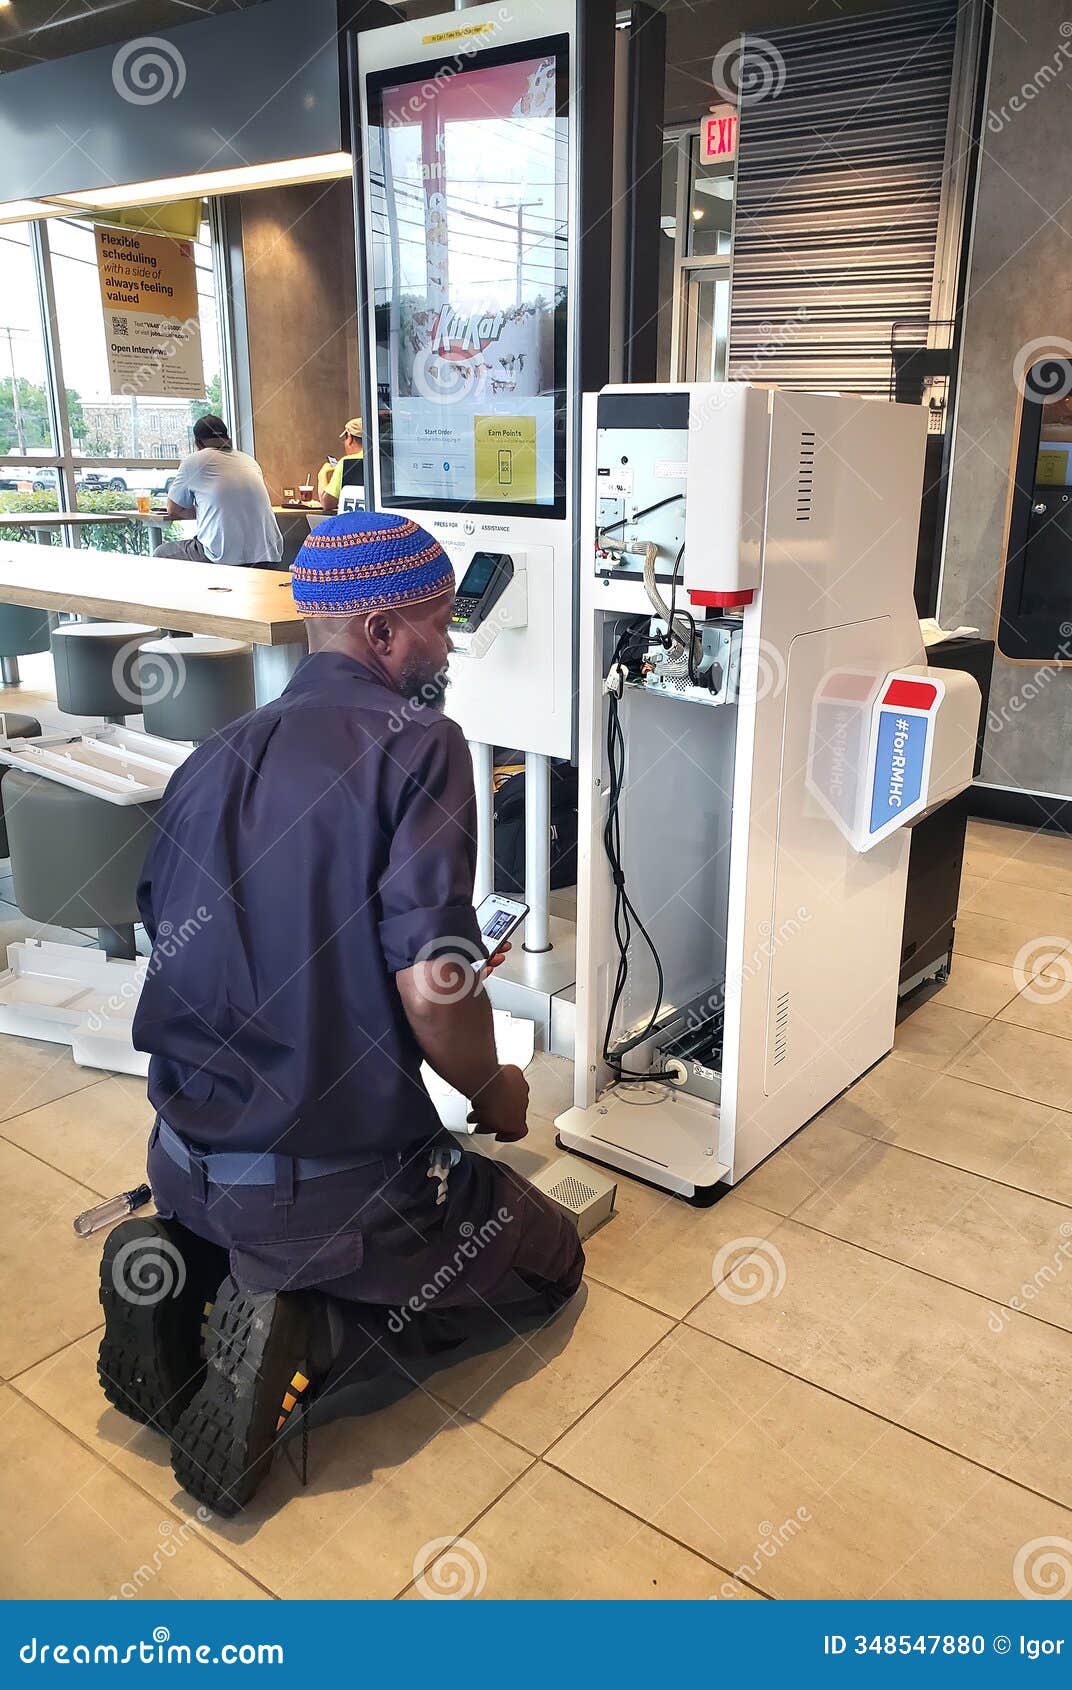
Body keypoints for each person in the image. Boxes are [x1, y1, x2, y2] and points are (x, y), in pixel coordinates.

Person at [98, 510, 583, 1518]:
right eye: (439, 624)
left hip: (184, 1150)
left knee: (242, 1219)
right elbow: (432, 991)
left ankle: (179, 1266)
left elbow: (186, 931)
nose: (447, 646)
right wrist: (496, 1092)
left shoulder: (212, 757)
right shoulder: (421, 744)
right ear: (379, 632)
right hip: (322, 1181)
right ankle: (309, 1329)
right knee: (544, 1257)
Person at [155, 414, 283, 565]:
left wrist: (204, 510)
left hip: (224, 556)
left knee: (161, 554)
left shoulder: (193, 461)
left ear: (197, 443)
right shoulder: (249, 460)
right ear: (227, 438)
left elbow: (173, 509)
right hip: (270, 555)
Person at [318, 416, 365, 512]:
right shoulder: (382, 459)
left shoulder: (346, 462)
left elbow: (327, 503)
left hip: (352, 522)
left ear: (350, 437)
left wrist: (322, 474)